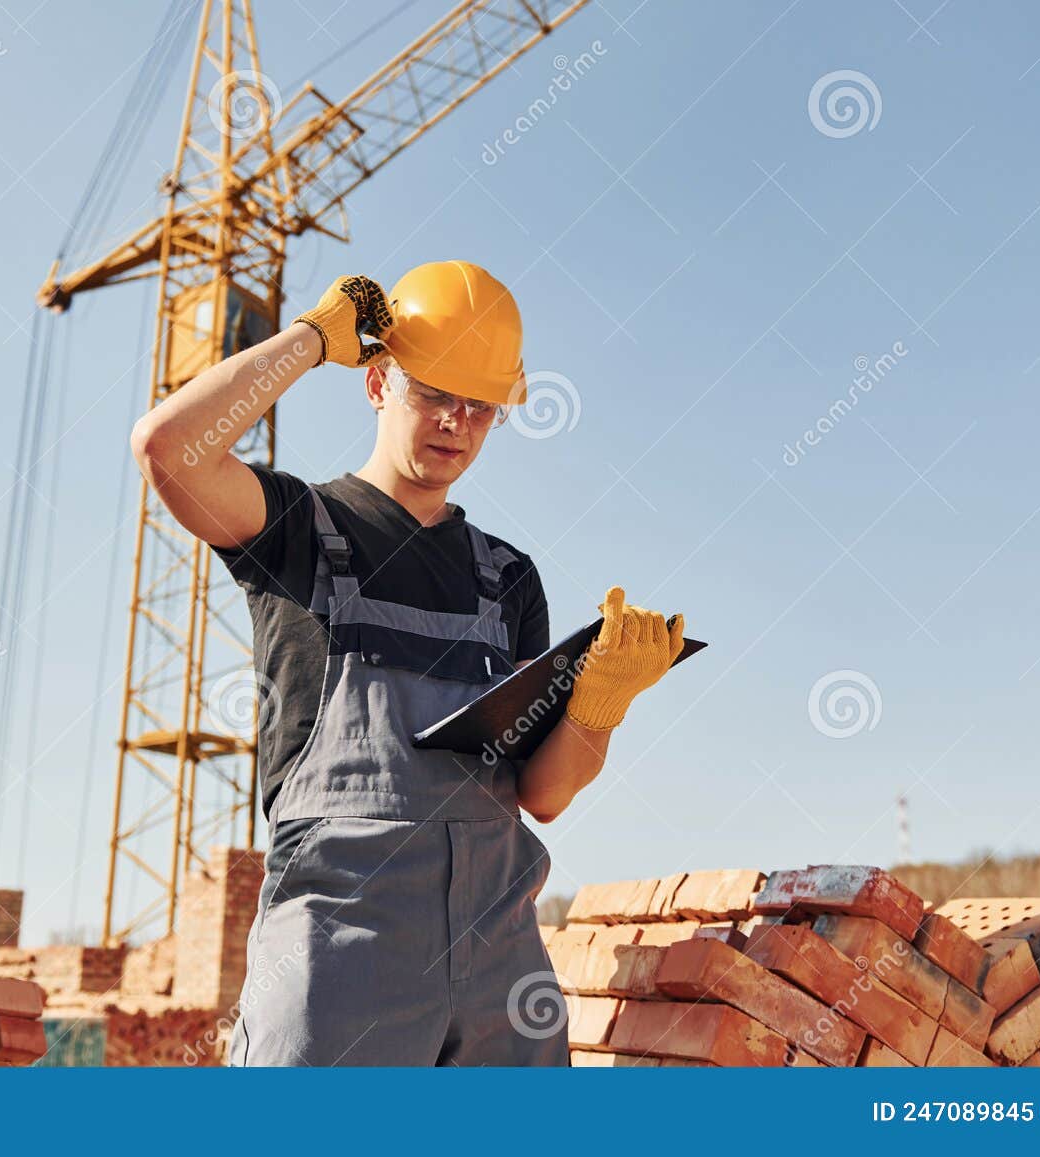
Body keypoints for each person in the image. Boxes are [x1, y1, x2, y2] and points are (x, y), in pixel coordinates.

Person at [129, 260, 687, 1065]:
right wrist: (310, 343)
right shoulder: (299, 529)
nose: (456, 423)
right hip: (339, 950)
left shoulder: (509, 579)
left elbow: (543, 793)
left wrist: (600, 705)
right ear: (378, 381)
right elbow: (169, 449)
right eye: (433, 393)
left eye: (480, 407)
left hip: (500, 953)